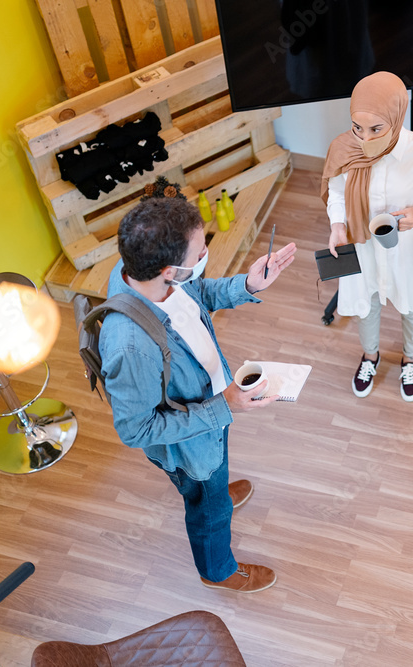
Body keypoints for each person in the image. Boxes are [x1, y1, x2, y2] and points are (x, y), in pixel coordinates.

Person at [98, 183, 297, 593]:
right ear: (170, 271)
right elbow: (135, 430)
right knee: (209, 510)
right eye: (200, 252)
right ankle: (217, 570)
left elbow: (198, 294)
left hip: (212, 416)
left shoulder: (143, 273)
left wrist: (248, 285)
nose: (206, 253)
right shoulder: (129, 346)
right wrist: (224, 406)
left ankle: (214, 491)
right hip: (192, 444)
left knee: (213, 482)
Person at [321, 71, 413, 402]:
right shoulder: (344, 149)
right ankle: (370, 356)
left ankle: (410, 359)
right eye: (357, 128)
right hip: (361, 244)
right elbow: (336, 193)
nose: (365, 138)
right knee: (365, 304)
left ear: (396, 116)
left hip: (407, 243)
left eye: (376, 129)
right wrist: (337, 225)